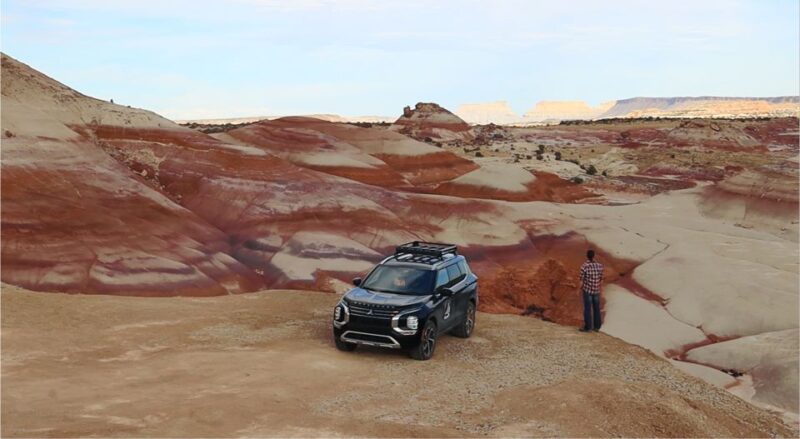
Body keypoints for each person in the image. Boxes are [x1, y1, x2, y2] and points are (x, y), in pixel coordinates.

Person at [579, 249, 604, 332]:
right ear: (594, 256)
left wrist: (579, 289)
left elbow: (581, 280)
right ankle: (597, 327)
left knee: (587, 308)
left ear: (587, 256)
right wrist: (598, 287)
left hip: (587, 290)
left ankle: (588, 327)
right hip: (596, 290)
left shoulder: (584, 266)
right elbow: (601, 279)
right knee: (596, 308)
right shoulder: (599, 266)